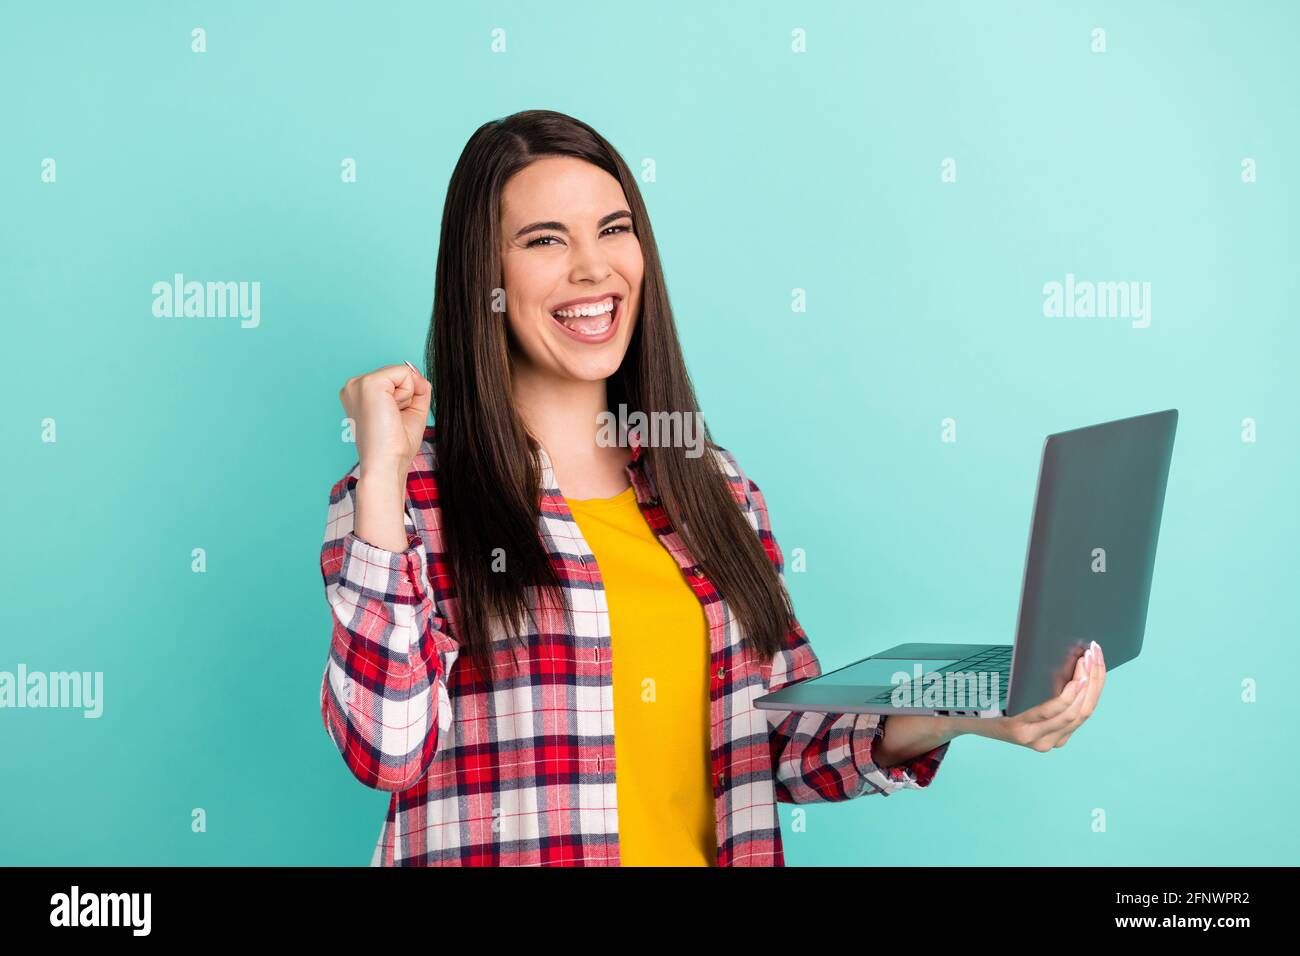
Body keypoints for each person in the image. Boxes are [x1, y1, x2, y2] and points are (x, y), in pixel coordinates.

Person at [318, 109, 1108, 867]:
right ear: (482, 276)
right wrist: (385, 468)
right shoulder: (406, 500)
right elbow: (387, 749)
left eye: (614, 229)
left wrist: (965, 709)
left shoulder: (713, 488)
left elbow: (779, 739)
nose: (593, 268)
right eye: (544, 240)